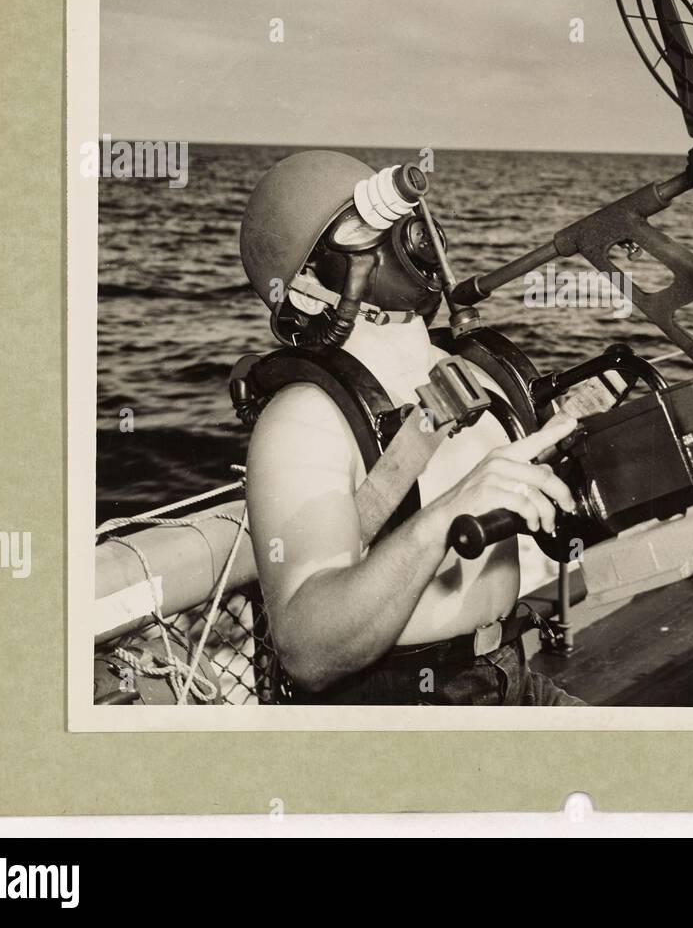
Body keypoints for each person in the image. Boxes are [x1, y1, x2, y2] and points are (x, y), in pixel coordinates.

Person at [238, 149, 585, 705]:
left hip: (509, 675)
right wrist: (442, 517)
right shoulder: (305, 419)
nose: (400, 233)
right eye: (362, 225)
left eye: (395, 216)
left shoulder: (466, 373)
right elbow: (308, 650)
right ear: (305, 288)